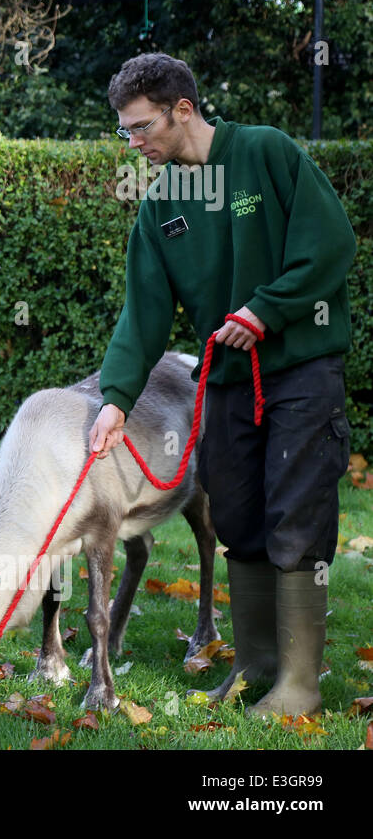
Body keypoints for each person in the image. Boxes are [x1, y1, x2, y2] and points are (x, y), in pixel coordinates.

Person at [88, 53, 355, 717]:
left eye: (141, 127)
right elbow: (143, 312)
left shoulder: (266, 153)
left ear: (184, 109)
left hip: (300, 373)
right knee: (235, 517)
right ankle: (258, 662)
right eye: (125, 131)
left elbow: (330, 245)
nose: (134, 142)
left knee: (296, 517)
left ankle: (299, 685)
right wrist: (116, 400)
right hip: (228, 383)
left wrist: (267, 309)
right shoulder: (161, 206)